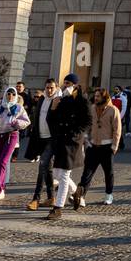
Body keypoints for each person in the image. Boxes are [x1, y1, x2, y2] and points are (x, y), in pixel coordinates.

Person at [46, 73, 90, 220]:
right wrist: (53, 108)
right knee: (57, 174)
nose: (66, 85)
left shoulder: (82, 100)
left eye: (69, 83)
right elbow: (51, 121)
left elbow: (87, 121)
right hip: (60, 140)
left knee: (64, 175)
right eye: (65, 83)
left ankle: (58, 208)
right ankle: (76, 191)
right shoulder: (62, 99)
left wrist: (77, 134)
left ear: (76, 85)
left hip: (72, 141)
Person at [76, 87, 121, 206]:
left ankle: (108, 194)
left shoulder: (113, 110)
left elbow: (117, 129)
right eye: (95, 96)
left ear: (104, 97)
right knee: (87, 173)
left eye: (98, 96)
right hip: (93, 146)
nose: (95, 98)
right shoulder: (92, 108)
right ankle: (81, 196)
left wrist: (114, 146)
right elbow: (88, 125)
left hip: (107, 147)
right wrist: (86, 139)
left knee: (108, 173)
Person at [0, 86, 29, 201]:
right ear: (5, 95)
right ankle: (1, 187)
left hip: (11, 136)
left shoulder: (18, 108)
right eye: (8, 94)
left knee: (4, 161)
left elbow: (27, 121)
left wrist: (16, 122)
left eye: (13, 94)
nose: (10, 96)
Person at [25, 78, 61, 211]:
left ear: (56, 88)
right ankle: (51, 197)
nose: (49, 90)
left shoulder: (59, 100)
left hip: (52, 139)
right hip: (40, 137)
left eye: (52, 87)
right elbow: (37, 117)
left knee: (42, 166)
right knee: (48, 169)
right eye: (47, 87)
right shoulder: (41, 99)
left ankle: (36, 198)